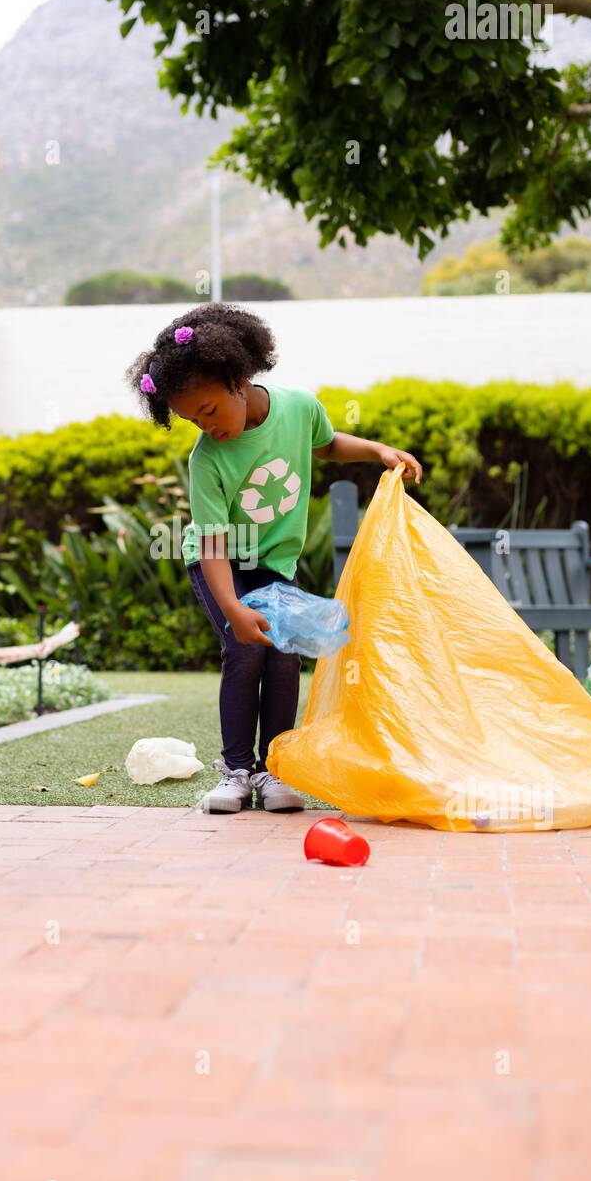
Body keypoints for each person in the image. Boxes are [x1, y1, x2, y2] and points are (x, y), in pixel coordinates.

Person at [127, 302, 422, 814]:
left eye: (211, 411)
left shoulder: (299, 407)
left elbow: (327, 445)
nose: (207, 426)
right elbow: (214, 543)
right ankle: (237, 771)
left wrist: (377, 450)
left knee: (283, 654)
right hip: (220, 563)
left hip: (271, 562)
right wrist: (234, 611)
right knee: (245, 648)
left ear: (238, 379)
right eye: (193, 419)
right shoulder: (207, 459)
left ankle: (273, 769)